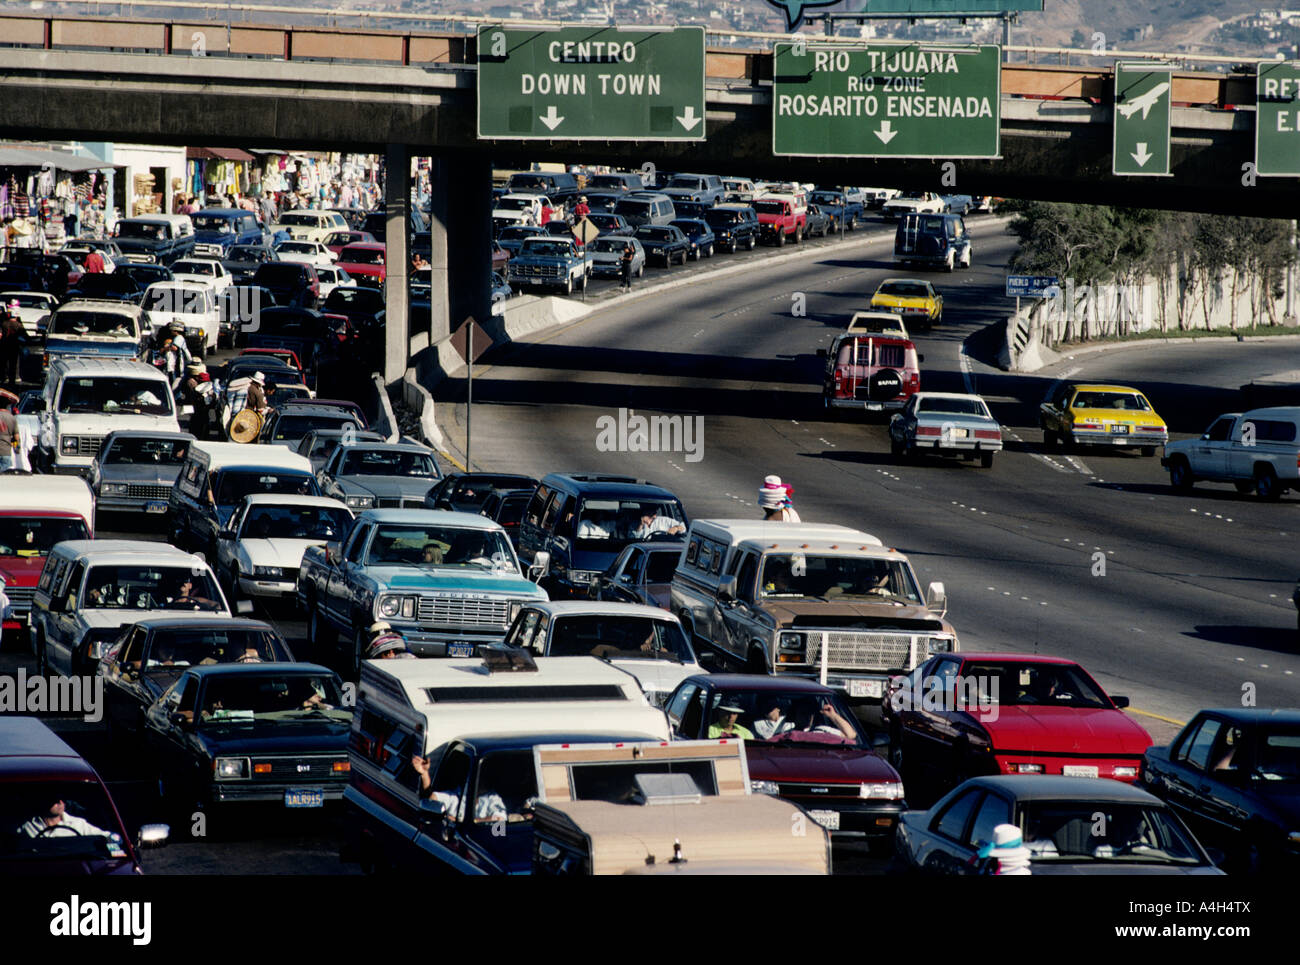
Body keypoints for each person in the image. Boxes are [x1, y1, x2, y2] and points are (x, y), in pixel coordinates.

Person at [18, 799, 111, 839]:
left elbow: (107, 837)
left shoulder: (78, 823)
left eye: (62, 800)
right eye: (55, 801)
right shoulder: (27, 826)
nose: (61, 803)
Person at [181, 361, 213, 439]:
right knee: (201, 425)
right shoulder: (194, 382)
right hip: (201, 408)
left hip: (197, 408)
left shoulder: (190, 381)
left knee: (196, 426)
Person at [0, 304, 22, 387]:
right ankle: (12, 379)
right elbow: (24, 336)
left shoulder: (4, 324)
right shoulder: (18, 325)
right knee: (14, 363)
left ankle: (4, 377)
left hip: (4, 346)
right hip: (14, 347)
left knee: (4, 362)